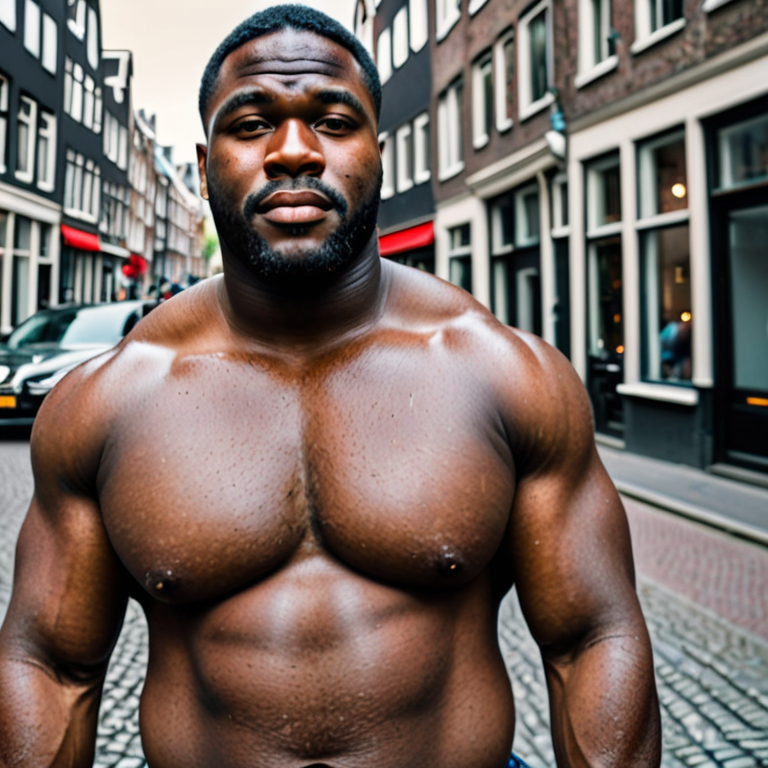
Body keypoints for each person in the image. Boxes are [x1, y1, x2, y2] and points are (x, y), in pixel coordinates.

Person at [0, 6, 660, 767]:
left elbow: (592, 640)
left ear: (379, 155)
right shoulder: (109, 399)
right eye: (251, 125)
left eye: (334, 122)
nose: (293, 151)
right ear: (204, 164)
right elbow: (52, 667)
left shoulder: (504, 375)